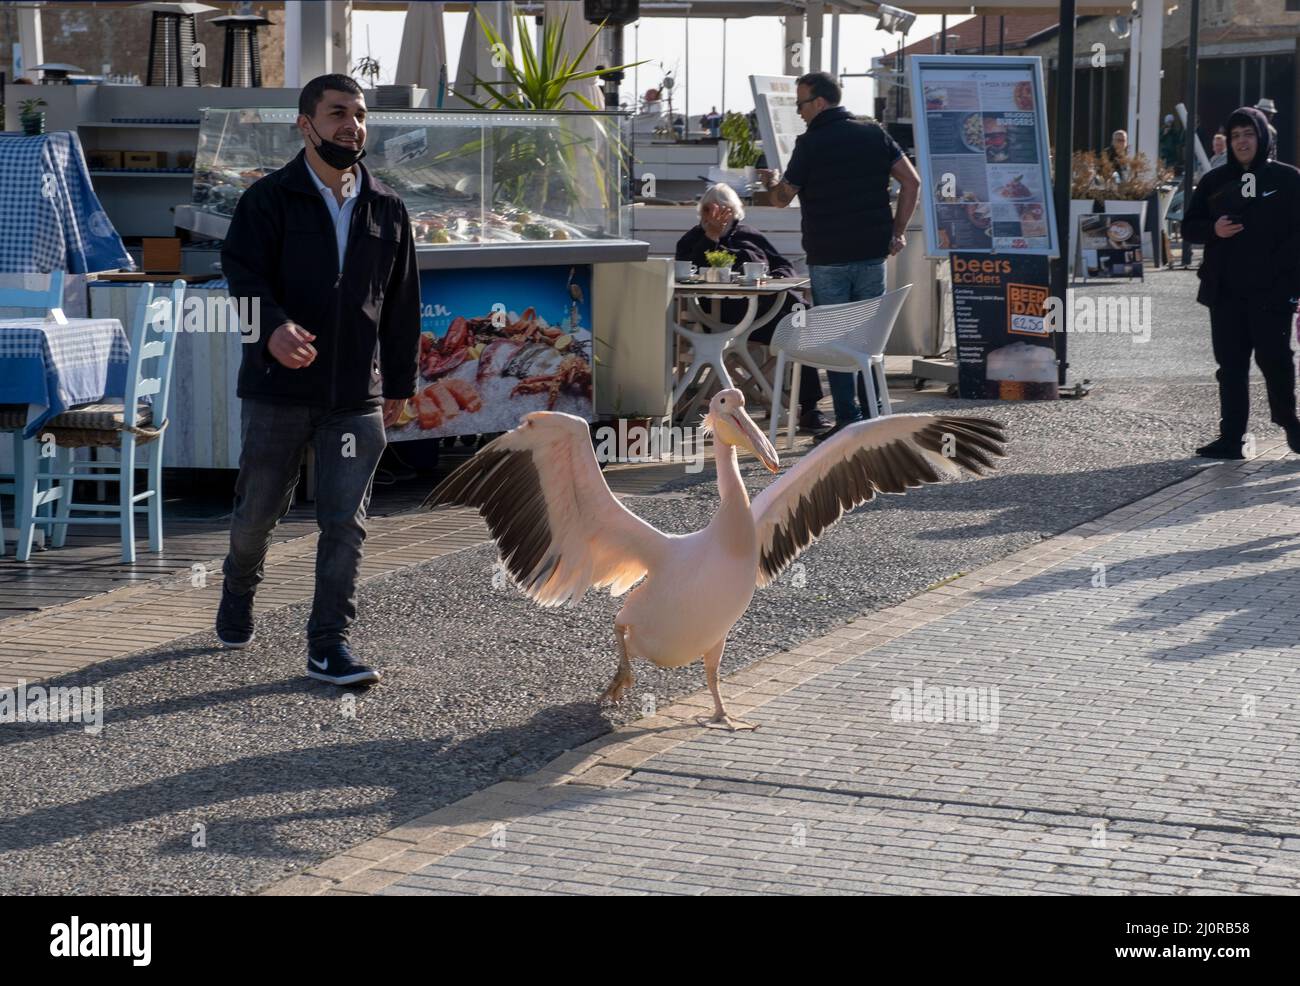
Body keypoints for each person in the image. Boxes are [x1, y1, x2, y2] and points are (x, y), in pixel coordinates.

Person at [215, 74, 420, 685]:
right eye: (337, 114)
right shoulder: (268, 200)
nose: (351, 125)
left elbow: (403, 301)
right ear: (305, 125)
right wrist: (271, 329)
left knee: (344, 519)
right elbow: (242, 277)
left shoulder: (387, 207)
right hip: (278, 391)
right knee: (258, 514)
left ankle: (329, 643)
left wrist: (402, 384)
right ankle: (239, 582)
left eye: (358, 114)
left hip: (356, 397)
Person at [756, 70, 921, 443]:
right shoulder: (873, 132)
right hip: (871, 255)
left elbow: (783, 199)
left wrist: (770, 183)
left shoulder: (811, 142)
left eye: (800, 103)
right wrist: (897, 231)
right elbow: (912, 182)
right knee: (866, 339)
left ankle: (849, 419)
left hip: (827, 255)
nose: (798, 111)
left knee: (838, 341)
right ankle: (875, 413)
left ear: (819, 102)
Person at [1182, 105, 1300, 460]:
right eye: (1235, 136)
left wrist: (1288, 281)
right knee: (1230, 367)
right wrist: (1213, 230)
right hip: (1226, 293)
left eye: (1248, 134)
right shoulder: (1215, 180)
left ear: (1262, 137)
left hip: (1272, 292)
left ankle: (1289, 423)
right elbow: (1189, 227)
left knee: (1275, 361)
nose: (1241, 142)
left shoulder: (1288, 179)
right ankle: (1231, 437)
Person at [675, 183, 828, 430]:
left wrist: (776, 276)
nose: (716, 216)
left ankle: (810, 408)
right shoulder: (692, 240)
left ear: (734, 211)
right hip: (717, 319)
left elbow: (782, 265)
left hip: (764, 316)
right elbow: (684, 270)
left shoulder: (749, 235)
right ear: (702, 212)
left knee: (803, 323)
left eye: (723, 210)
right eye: (709, 210)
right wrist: (711, 238)